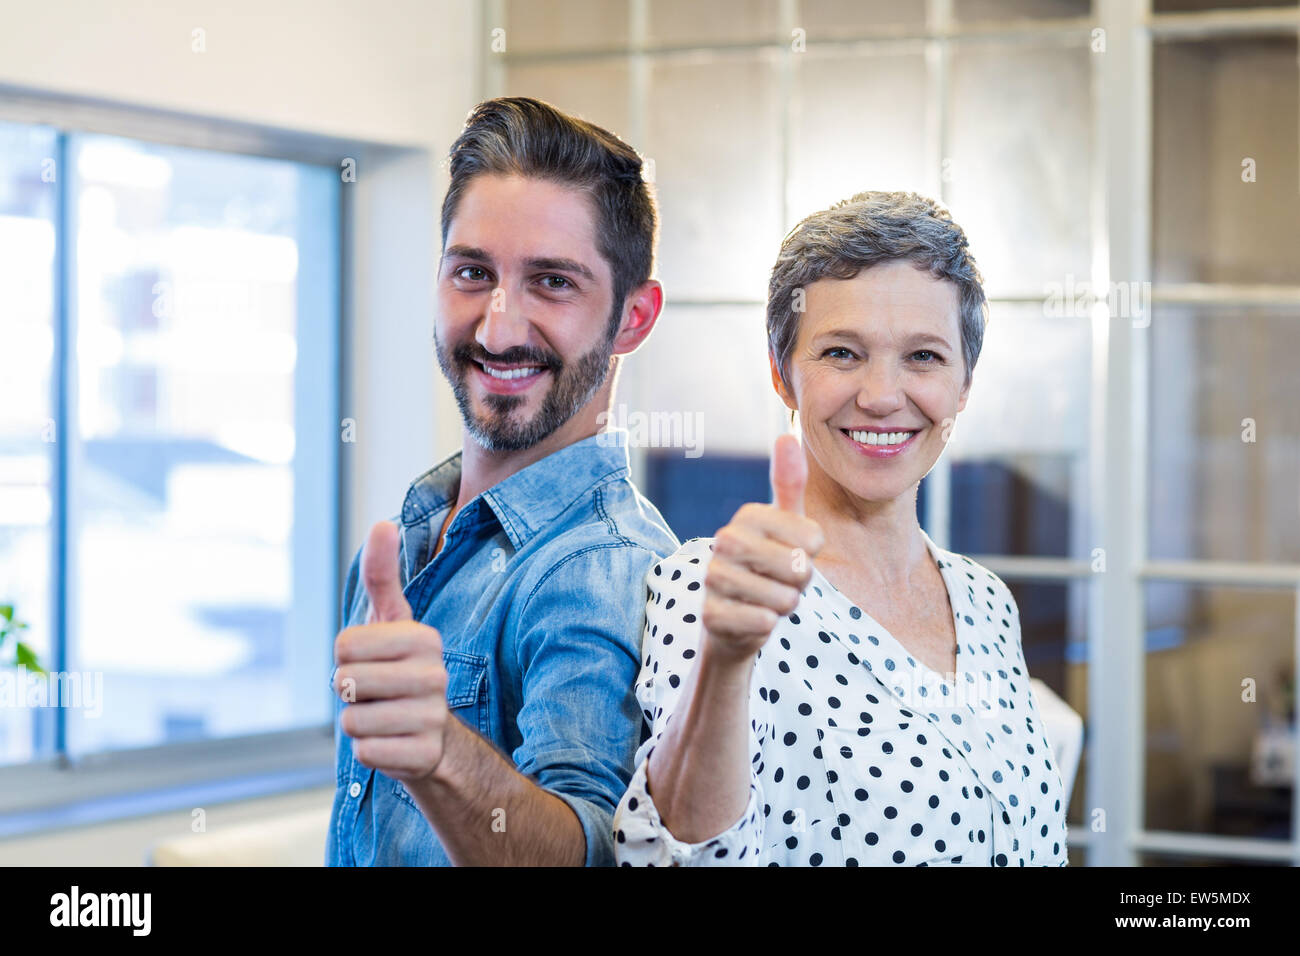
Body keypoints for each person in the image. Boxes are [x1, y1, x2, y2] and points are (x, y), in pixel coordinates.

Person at [613, 191, 1069, 866]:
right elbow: (674, 855)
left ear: (965, 384)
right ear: (782, 373)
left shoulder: (986, 601)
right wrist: (727, 658)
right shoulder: (712, 586)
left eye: (924, 357)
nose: (883, 395)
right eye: (842, 353)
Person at [327, 97, 679, 866]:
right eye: (472, 272)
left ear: (633, 317)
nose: (498, 327)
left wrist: (440, 753)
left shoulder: (605, 565)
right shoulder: (409, 539)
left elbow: (596, 852)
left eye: (552, 282)